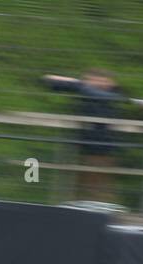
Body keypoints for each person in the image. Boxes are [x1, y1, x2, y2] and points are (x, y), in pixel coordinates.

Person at [41, 70, 126, 204]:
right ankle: (84, 209)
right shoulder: (89, 92)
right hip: (87, 146)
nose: (93, 83)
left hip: (103, 149)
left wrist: (79, 84)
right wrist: (60, 81)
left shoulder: (112, 96)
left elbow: (97, 94)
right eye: (90, 80)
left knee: (99, 184)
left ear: (110, 82)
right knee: (84, 183)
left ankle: (104, 213)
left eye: (97, 80)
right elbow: (51, 81)